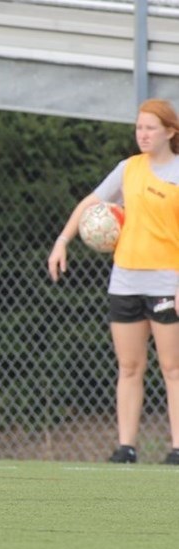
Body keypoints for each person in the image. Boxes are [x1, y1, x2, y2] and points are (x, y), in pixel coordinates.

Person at [47, 98, 179, 466]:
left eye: (151, 127)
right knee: (130, 366)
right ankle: (127, 448)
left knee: (173, 367)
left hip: (167, 282)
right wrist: (62, 242)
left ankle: (177, 449)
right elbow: (89, 204)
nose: (143, 134)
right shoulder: (127, 169)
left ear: (170, 131)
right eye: (139, 127)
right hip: (125, 281)